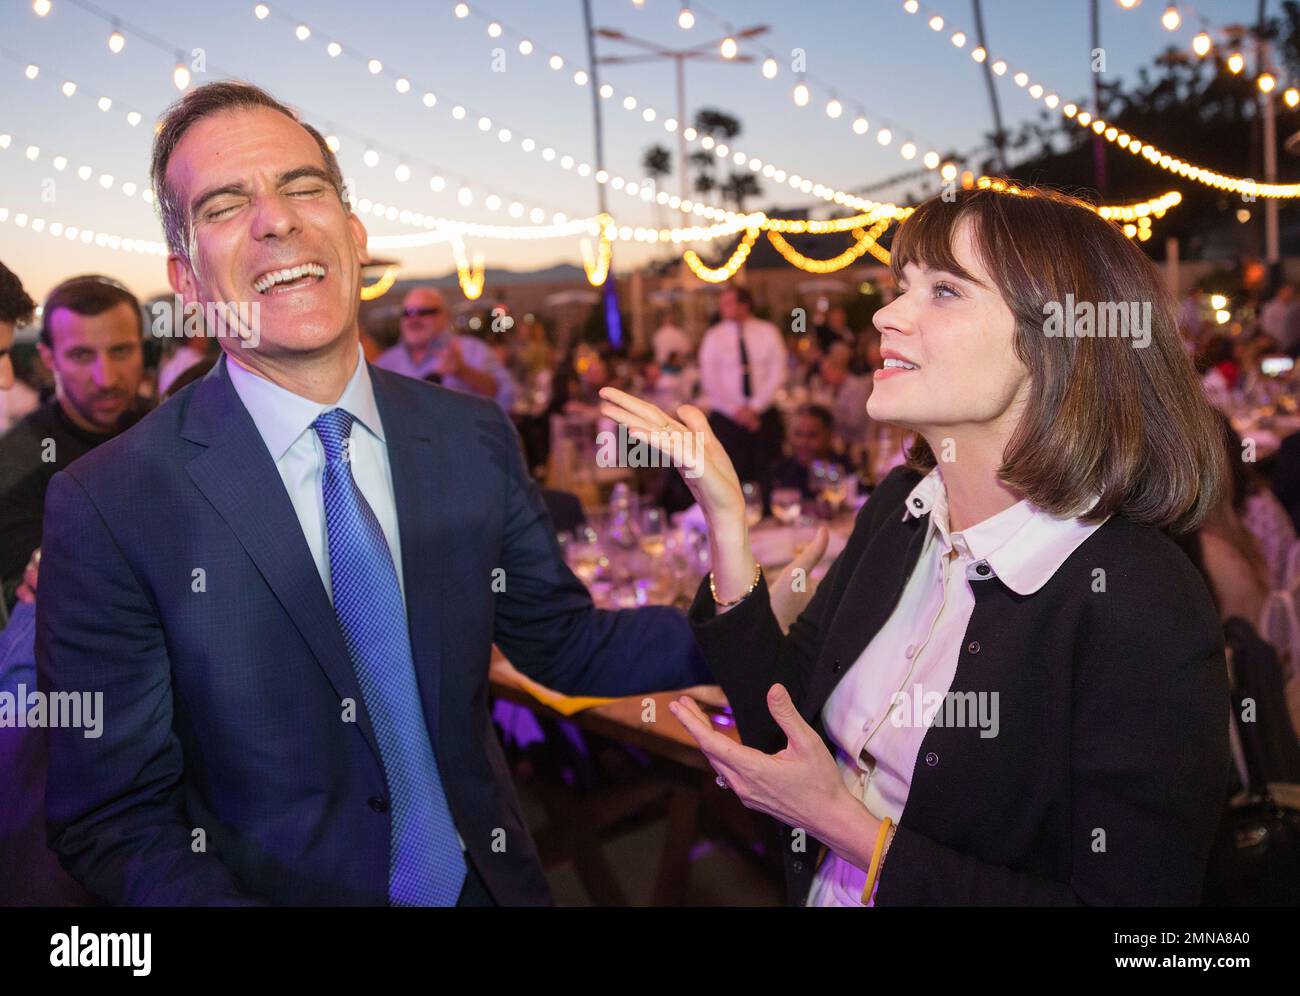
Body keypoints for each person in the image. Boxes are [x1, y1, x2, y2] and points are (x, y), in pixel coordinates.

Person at [36, 80, 708, 907]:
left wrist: (754, 624)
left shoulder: (471, 434)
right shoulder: (112, 503)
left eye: (302, 186)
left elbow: (564, 643)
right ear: (188, 280)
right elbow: (115, 817)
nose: (276, 218)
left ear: (353, 235)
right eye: (223, 204)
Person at [600, 184, 1230, 905]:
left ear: (1053, 343)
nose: (887, 314)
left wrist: (847, 828)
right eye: (902, 288)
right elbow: (783, 726)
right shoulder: (901, 511)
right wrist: (726, 521)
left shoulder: (1139, 599)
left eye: (944, 292)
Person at [0, 275, 146, 609]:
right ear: (48, 359)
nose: (106, 378)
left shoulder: (173, 431)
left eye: (121, 351)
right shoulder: (14, 462)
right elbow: (23, 595)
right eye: (81, 355)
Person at [698, 285, 787, 485]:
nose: (723, 308)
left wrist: (754, 407)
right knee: (729, 477)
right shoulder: (714, 336)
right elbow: (710, 380)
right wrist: (737, 411)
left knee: (768, 473)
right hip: (727, 419)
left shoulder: (768, 332)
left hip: (763, 415)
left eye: (728, 303)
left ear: (744, 305)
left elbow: (778, 373)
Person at [375, 286, 513, 410]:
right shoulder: (386, 362)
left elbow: (506, 396)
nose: (413, 319)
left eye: (424, 312)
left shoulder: (472, 350)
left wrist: (464, 372)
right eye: (407, 313)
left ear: (445, 316)